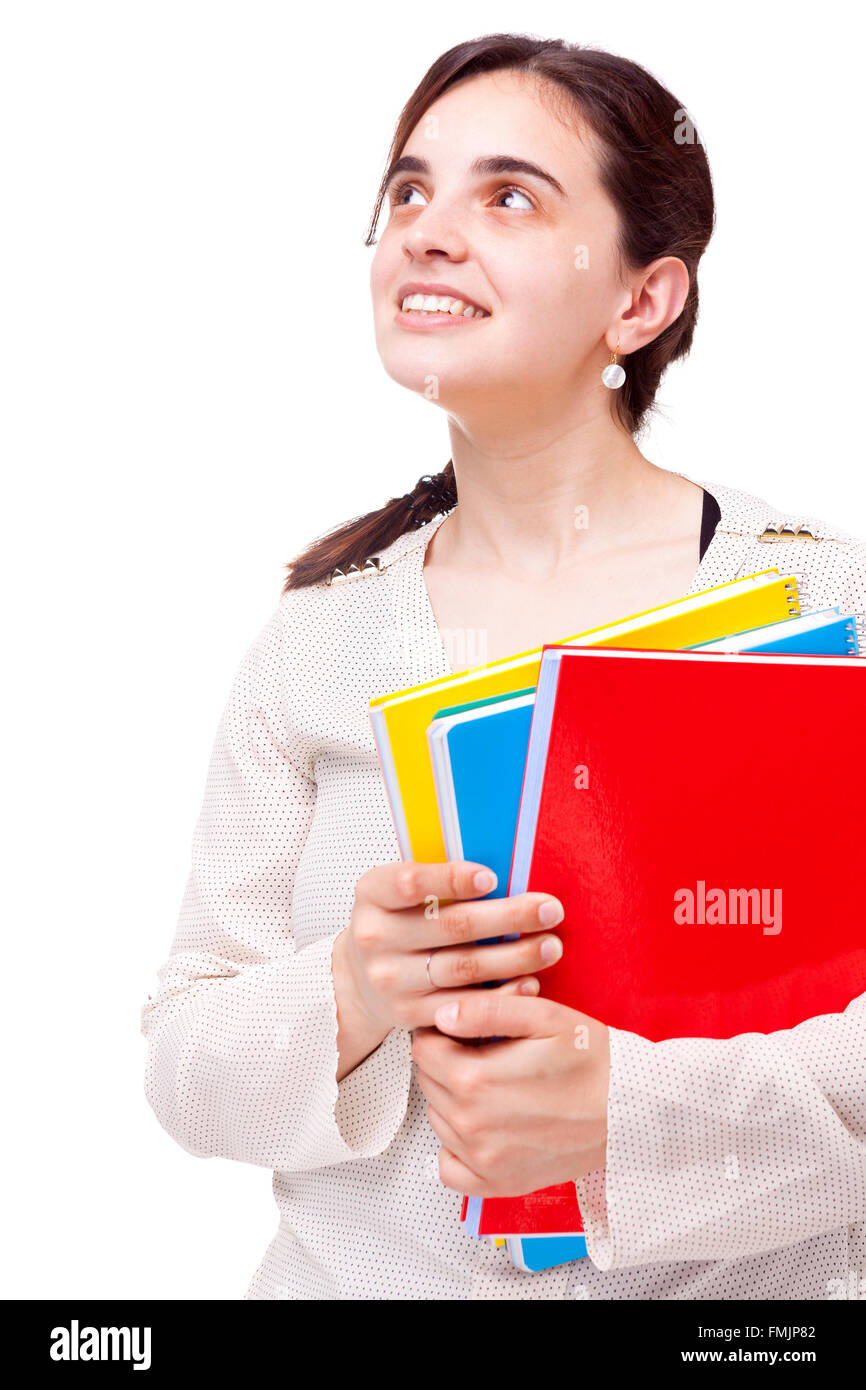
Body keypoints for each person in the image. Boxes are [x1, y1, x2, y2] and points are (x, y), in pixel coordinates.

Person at [140, 34, 866, 1300]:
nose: (424, 230)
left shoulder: (823, 605)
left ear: (640, 300)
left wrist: (626, 1117)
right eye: (408, 192)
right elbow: (186, 1060)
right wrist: (350, 988)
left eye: (508, 195)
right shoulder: (314, 639)